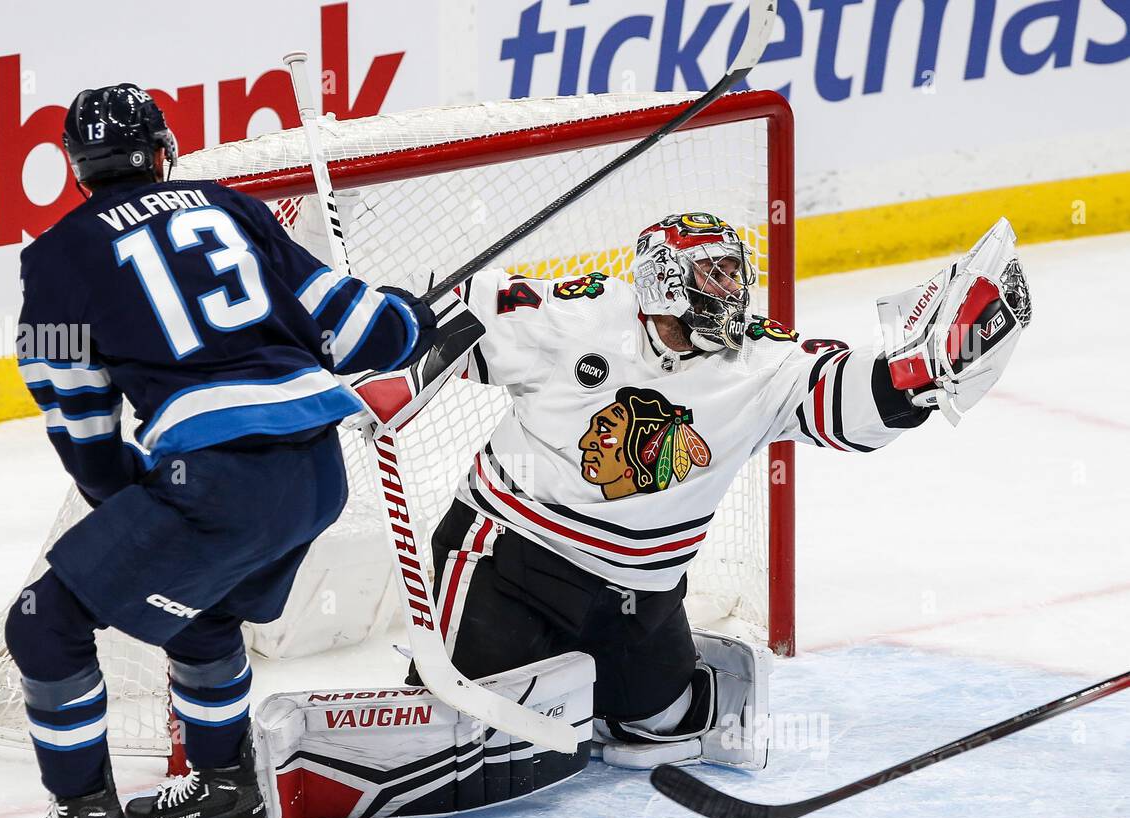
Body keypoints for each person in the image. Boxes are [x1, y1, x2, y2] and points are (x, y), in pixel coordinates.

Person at [0, 84, 480, 818]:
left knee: (43, 626)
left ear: (77, 172)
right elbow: (359, 327)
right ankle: (224, 796)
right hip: (315, 474)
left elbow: (73, 407)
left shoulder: (53, 257)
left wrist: (120, 492)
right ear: (164, 151)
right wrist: (410, 319)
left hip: (220, 476)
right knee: (205, 607)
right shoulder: (231, 207)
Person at [372, 211, 1032, 770]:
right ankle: (490, 687)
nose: (732, 288)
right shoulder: (578, 318)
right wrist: (388, 336)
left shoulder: (759, 359)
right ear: (666, 281)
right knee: (459, 740)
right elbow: (457, 316)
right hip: (513, 561)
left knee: (664, 733)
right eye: (713, 272)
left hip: (641, 594)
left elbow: (844, 400)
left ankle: (595, 685)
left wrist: (914, 373)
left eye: (733, 271)